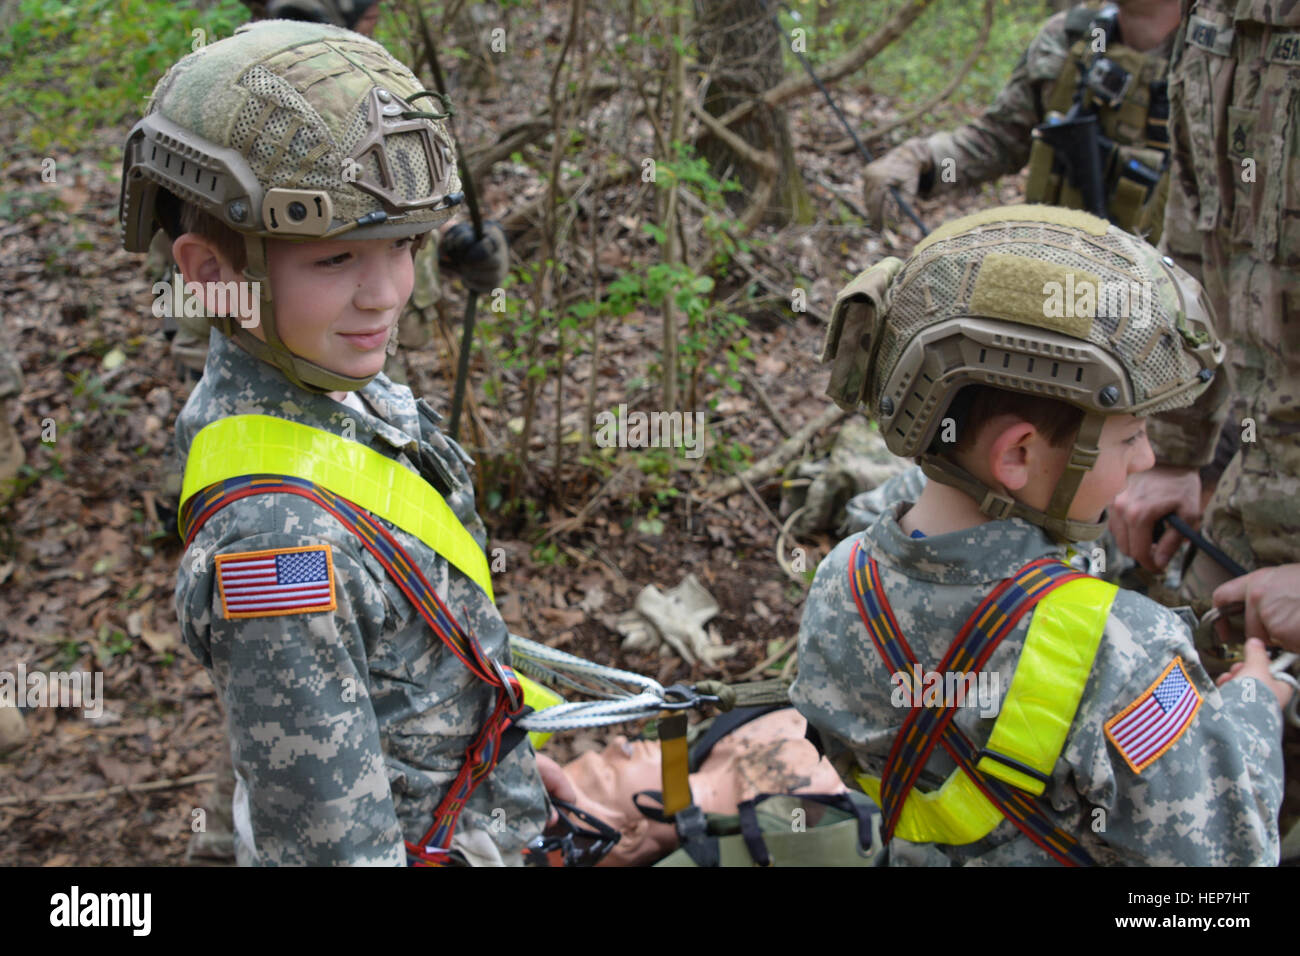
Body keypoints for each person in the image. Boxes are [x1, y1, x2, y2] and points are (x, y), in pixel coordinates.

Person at [120, 20, 547, 865]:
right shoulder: (277, 550)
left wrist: (510, 778)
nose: (388, 293)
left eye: (404, 246)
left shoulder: (332, 384)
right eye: (336, 259)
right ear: (213, 276)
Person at [793, 204, 1290, 866]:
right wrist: (1257, 704)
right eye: (1132, 436)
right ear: (1019, 457)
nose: (1145, 461)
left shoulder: (841, 576)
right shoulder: (1131, 655)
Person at [862, 1, 1183, 245]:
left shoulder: (1217, 62)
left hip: (1171, 299)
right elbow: (1001, 140)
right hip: (1051, 269)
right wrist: (922, 160)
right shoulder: (1074, 36)